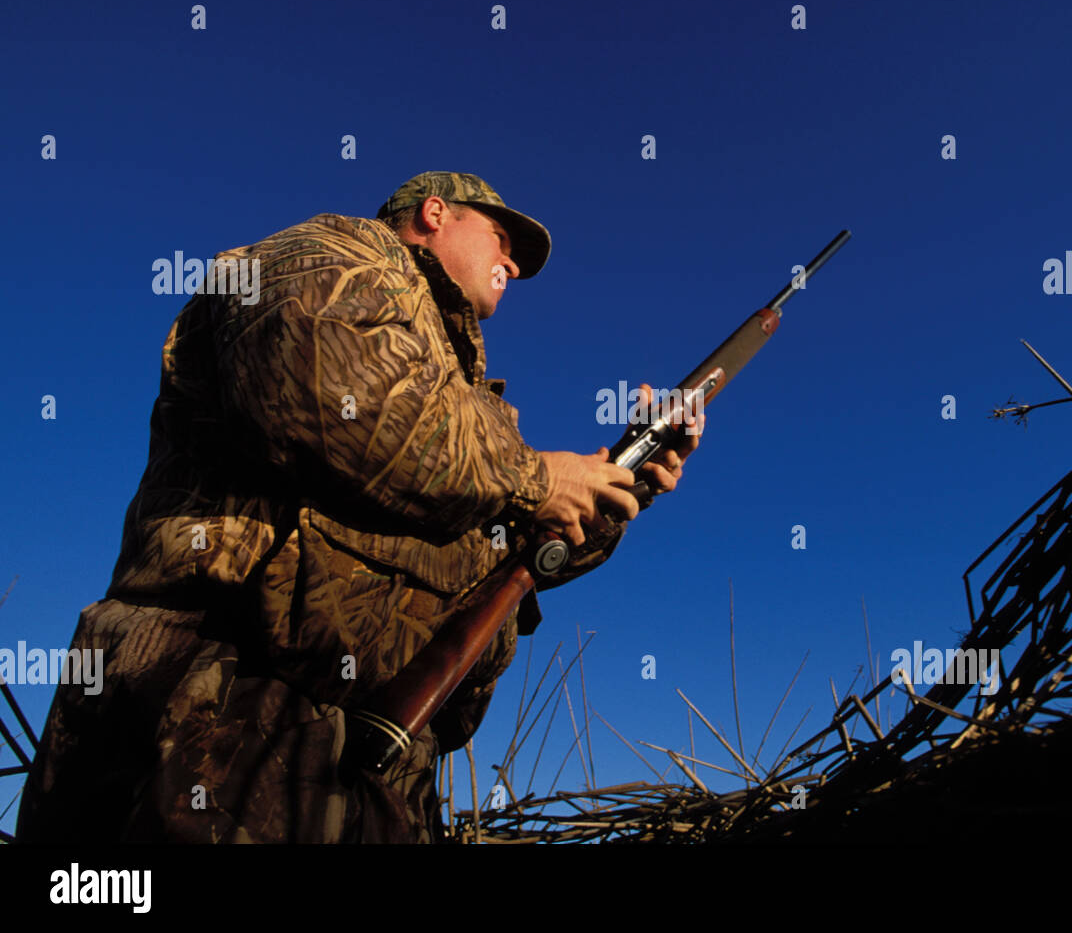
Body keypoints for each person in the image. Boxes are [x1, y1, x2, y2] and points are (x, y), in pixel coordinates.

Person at [16, 171, 702, 843]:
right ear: (436, 213)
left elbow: (515, 548)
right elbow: (325, 393)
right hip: (223, 694)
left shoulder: (469, 400)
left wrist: (625, 478)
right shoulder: (336, 255)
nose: (513, 265)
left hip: (380, 749)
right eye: (501, 238)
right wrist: (533, 477)